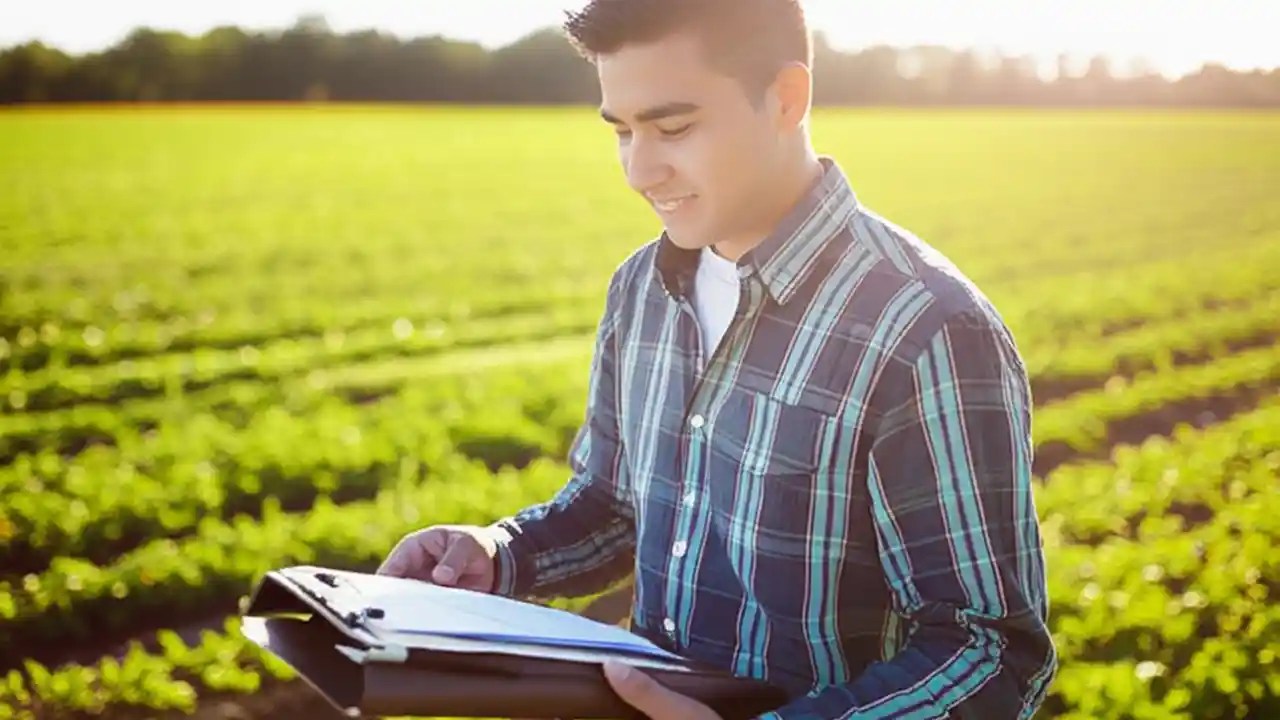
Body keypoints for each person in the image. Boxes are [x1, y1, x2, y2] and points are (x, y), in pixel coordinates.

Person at [377, 0, 1057, 717]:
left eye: (673, 128)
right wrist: (495, 554)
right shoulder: (640, 289)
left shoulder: (925, 328)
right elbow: (614, 504)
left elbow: (989, 651)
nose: (641, 171)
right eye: (622, 131)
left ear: (786, 99)